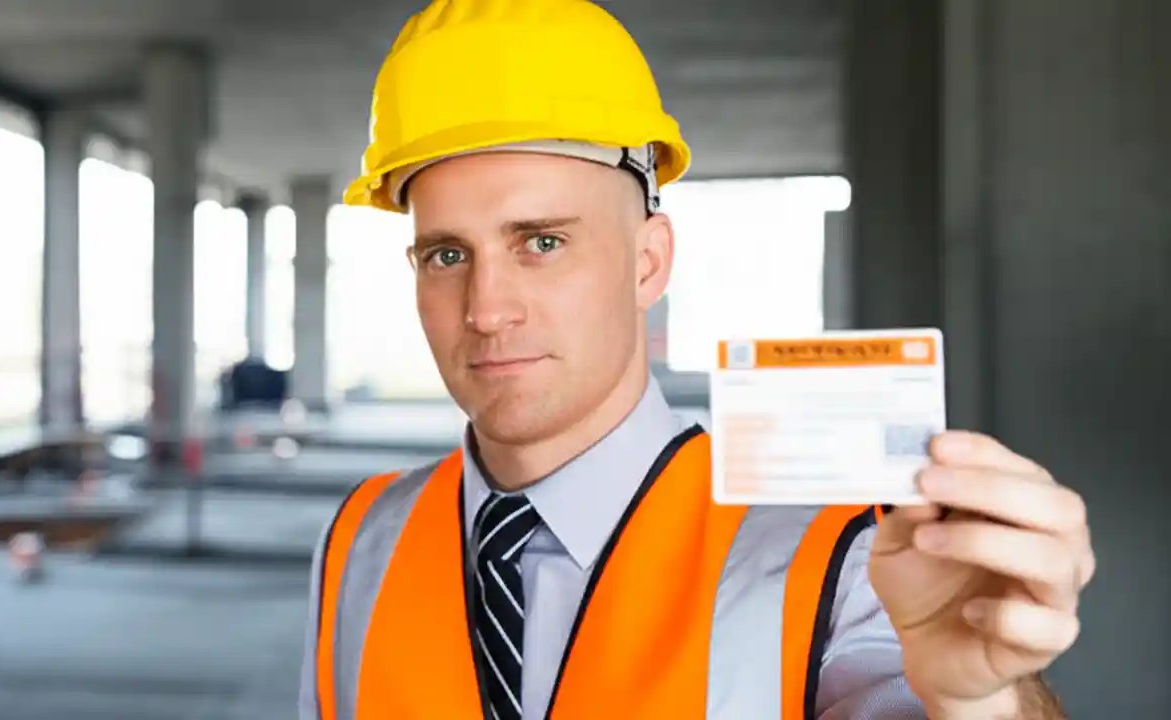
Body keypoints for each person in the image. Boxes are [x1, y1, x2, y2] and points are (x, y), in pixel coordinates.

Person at [299, 1, 1095, 718]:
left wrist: (979, 701)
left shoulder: (833, 552)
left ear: (648, 263)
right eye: (445, 255)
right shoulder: (363, 536)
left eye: (542, 243)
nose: (486, 308)